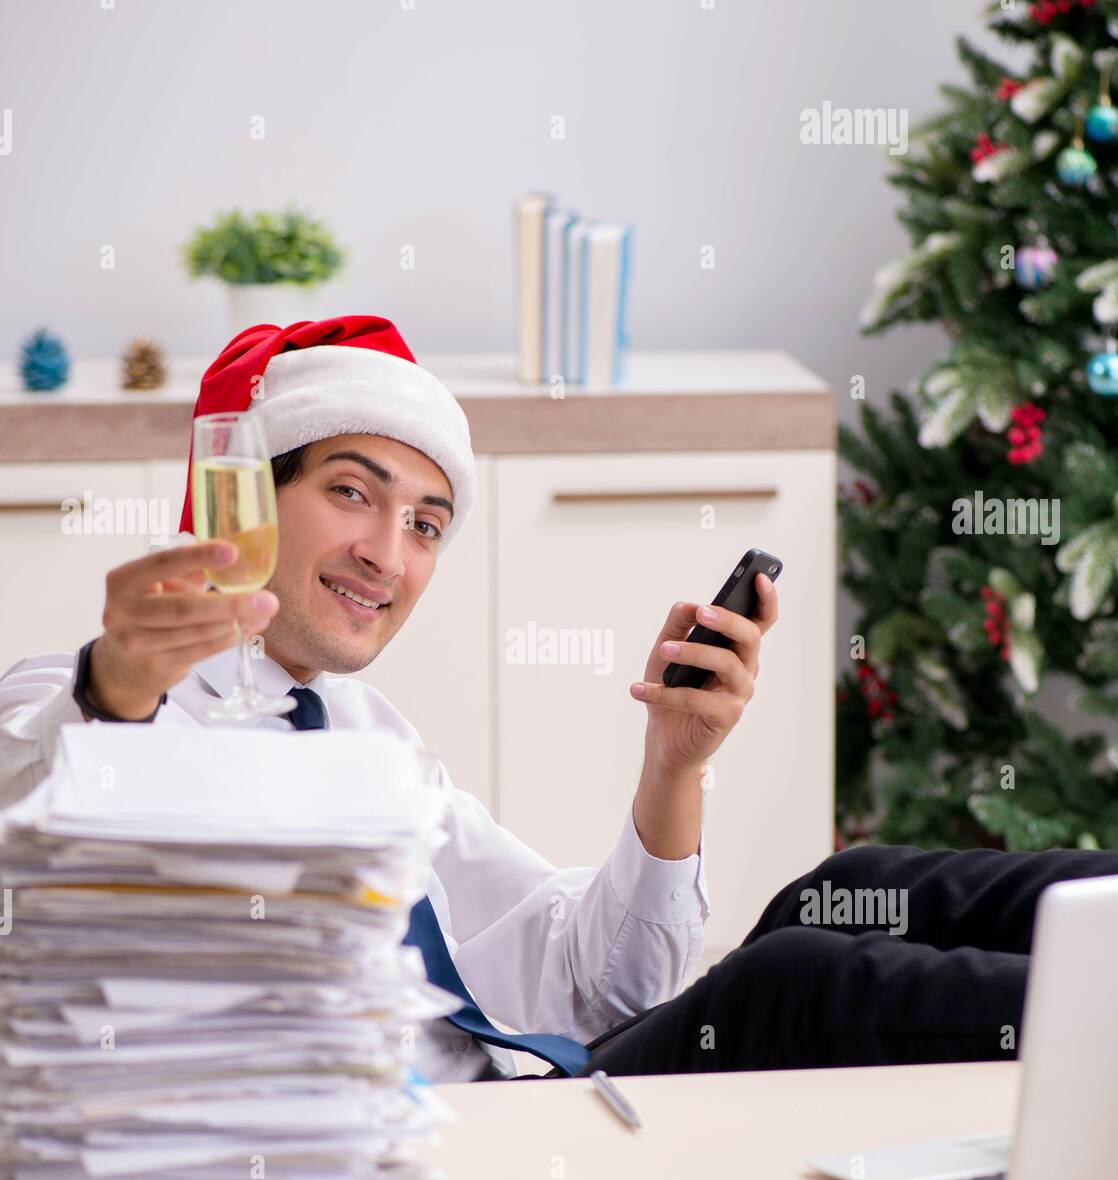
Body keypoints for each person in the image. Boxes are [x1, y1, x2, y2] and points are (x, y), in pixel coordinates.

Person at [1, 314, 1102, 1085]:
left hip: (537, 1087)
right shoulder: (81, 697)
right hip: (423, 1150)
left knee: (854, 886)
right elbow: (35, 816)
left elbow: (594, 986)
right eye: (351, 492)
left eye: (426, 524)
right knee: (791, 982)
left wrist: (673, 765)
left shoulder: (372, 743)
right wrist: (120, 686)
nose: (387, 554)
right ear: (250, 494)